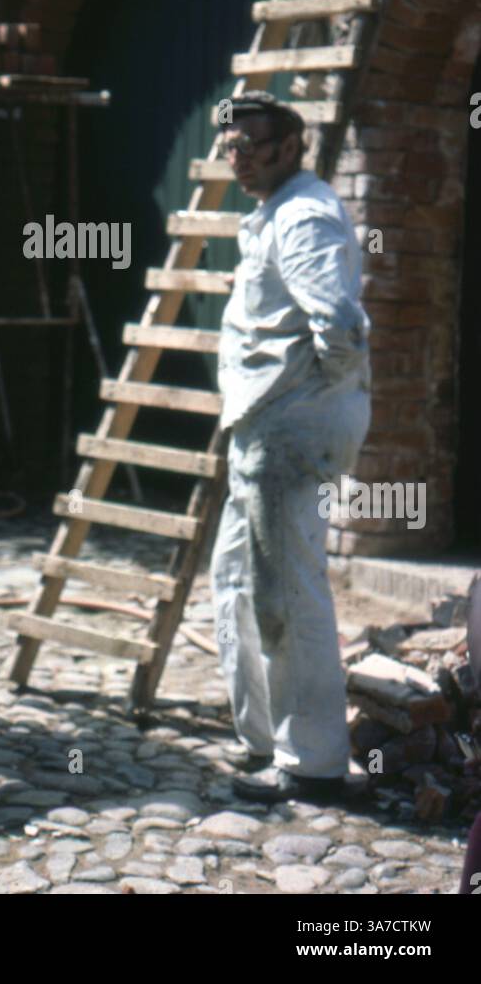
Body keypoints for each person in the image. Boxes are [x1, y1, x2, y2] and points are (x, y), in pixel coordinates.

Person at [211, 91, 371, 804]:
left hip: (286, 430)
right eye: (228, 141)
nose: (234, 153)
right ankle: (263, 737)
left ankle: (311, 763)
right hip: (260, 432)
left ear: (288, 146)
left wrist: (308, 400)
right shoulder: (270, 214)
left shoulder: (304, 212)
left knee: (286, 595)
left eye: (248, 141)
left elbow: (337, 325)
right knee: (237, 585)